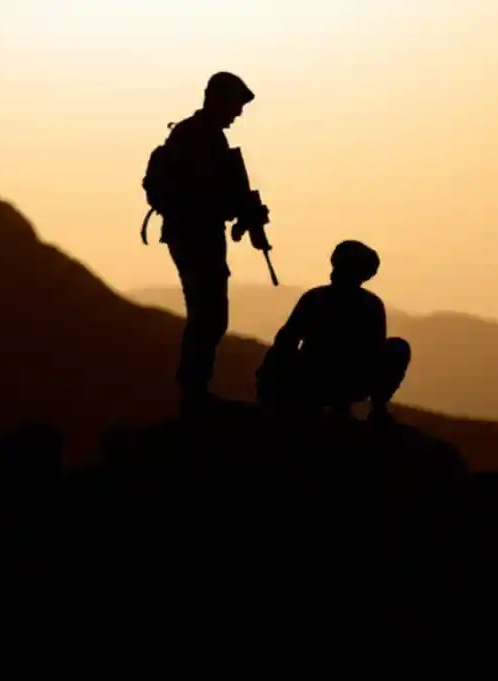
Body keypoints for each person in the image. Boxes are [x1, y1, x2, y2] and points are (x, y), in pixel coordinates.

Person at [157, 71, 270, 416]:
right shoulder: (195, 137)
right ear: (217, 100)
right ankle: (193, 390)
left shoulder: (208, 137)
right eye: (235, 105)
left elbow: (215, 191)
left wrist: (244, 212)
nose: (237, 113)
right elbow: (202, 192)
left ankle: (195, 388)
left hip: (200, 234)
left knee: (210, 315)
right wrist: (240, 209)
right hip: (193, 235)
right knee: (208, 314)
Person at [257, 240, 411, 421]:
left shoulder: (318, 298)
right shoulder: (369, 304)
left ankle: (373, 409)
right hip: (318, 378)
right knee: (397, 348)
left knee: (397, 348)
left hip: (332, 379)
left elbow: (286, 339)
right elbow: (286, 340)